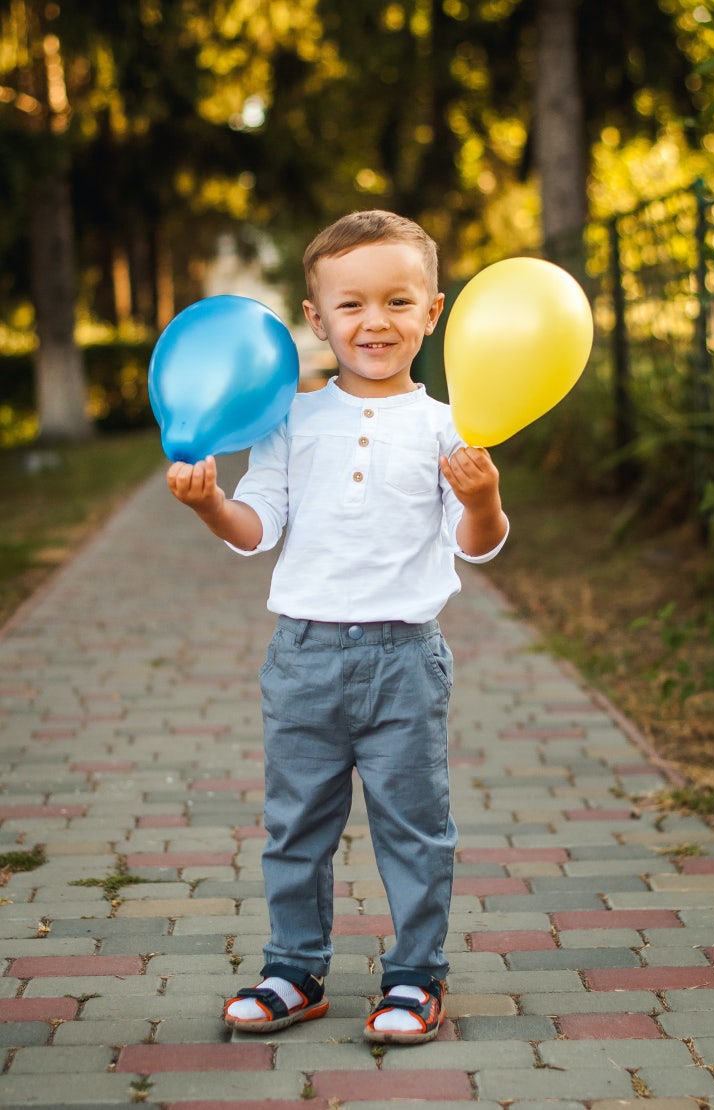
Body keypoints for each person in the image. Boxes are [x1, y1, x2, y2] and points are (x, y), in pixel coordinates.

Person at [166, 209, 509, 1045]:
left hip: (405, 660)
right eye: (350, 305)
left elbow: (478, 544)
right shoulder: (290, 417)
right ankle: (294, 970)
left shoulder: (449, 425)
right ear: (315, 319)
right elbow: (258, 528)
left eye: (397, 301)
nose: (374, 322)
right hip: (303, 657)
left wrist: (482, 498)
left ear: (432, 312)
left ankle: (415, 976)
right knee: (296, 827)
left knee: (415, 831)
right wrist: (210, 504)